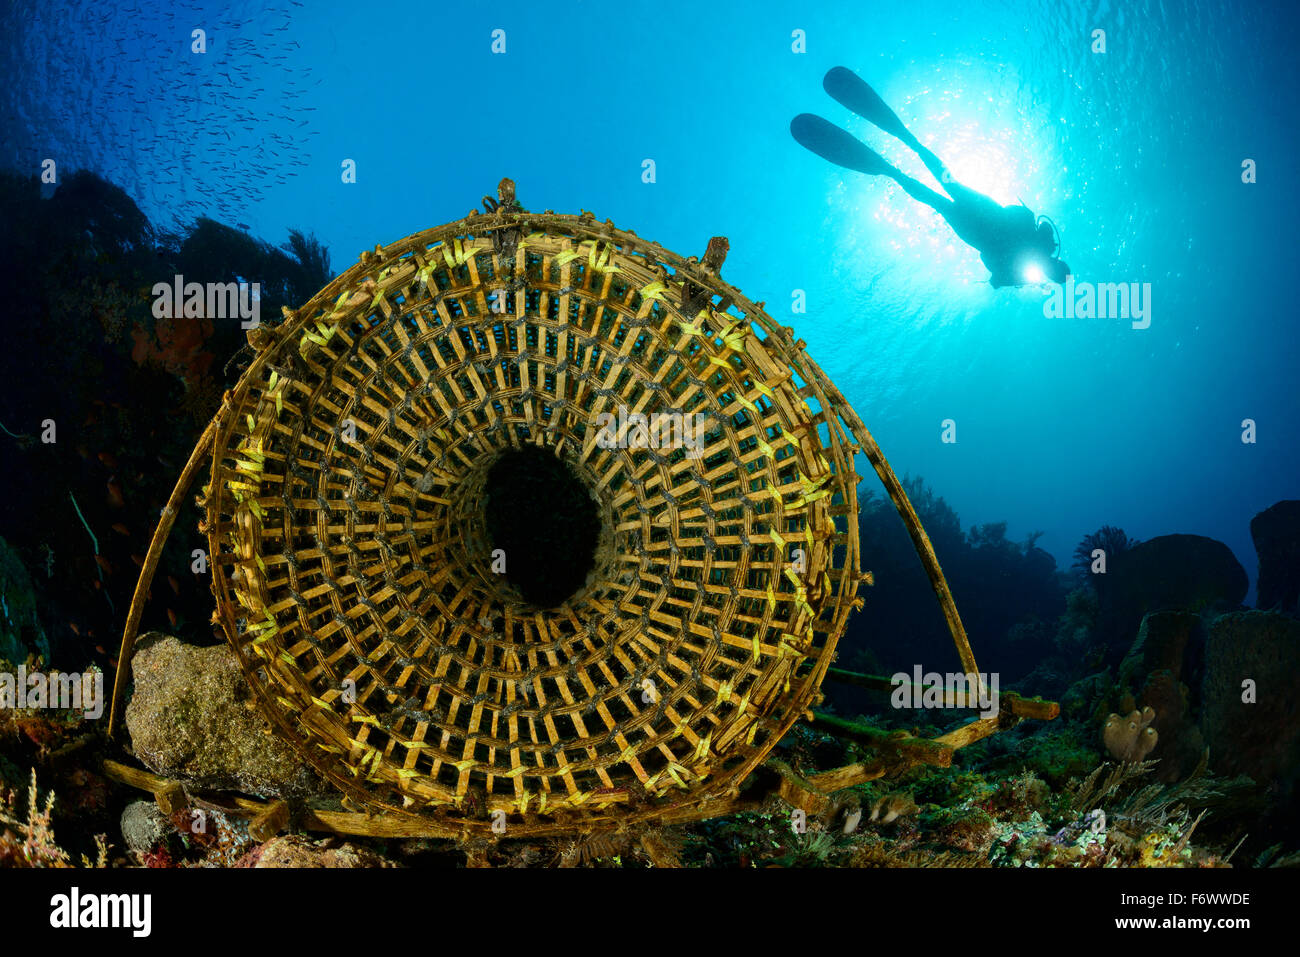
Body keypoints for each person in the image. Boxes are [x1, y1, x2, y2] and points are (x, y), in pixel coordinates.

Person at [792, 67, 1070, 288]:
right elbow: (1020, 218)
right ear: (1058, 266)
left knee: (938, 194)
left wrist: (1008, 275)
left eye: (1052, 275)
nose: (1050, 271)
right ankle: (906, 148)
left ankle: (895, 165)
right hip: (980, 214)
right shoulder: (1044, 243)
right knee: (946, 182)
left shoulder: (1024, 272)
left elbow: (994, 271)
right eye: (1056, 271)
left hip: (972, 224)